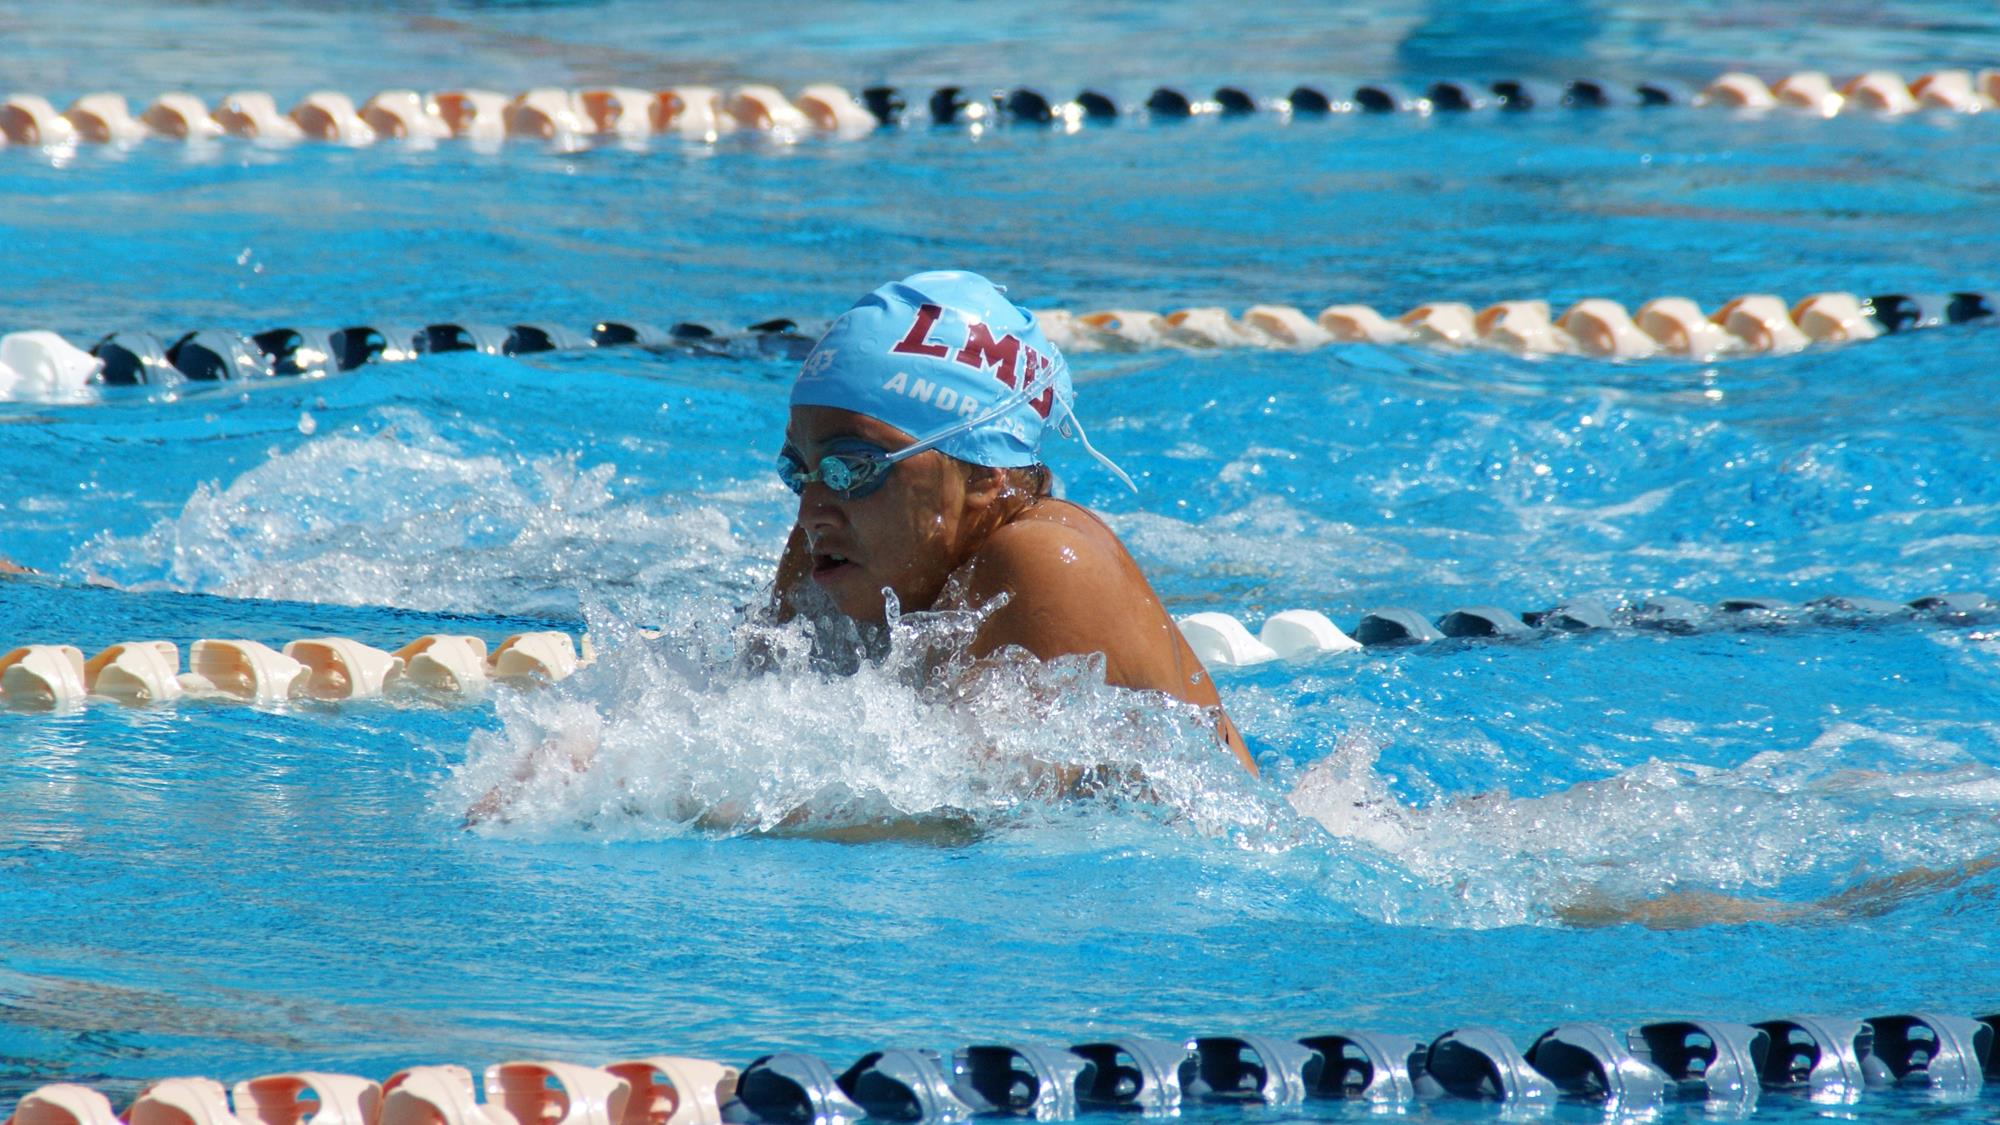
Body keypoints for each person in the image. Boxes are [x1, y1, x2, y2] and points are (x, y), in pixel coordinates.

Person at [765, 270, 1253, 773]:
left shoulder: (1042, 563)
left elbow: (983, 825)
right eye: (799, 469)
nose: (810, 511)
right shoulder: (831, 547)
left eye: (854, 469)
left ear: (983, 478)